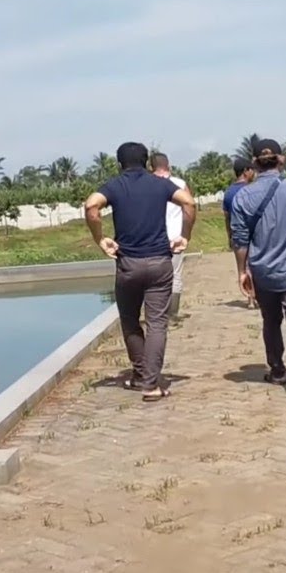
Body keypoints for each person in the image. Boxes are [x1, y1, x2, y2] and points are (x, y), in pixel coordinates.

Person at [84, 142, 197, 402]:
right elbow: (189, 203)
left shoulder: (114, 186)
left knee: (130, 321)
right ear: (146, 161)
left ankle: (139, 374)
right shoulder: (160, 184)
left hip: (128, 265)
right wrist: (184, 236)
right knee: (157, 322)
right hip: (159, 262)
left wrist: (100, 239)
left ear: (119, 163)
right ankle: (150, 383)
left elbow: (91, 206)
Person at [229, 138, 286, 399]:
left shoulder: (243, 196)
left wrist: (242, 271)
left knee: (271, 320)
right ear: (281, 159)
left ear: (254, 164)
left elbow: (240, 239)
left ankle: (278, 370)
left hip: (263, 272)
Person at [149, 152, 193, 320]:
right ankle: (172, 315)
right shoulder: (180, 184)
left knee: (154, 278)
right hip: (175, 235)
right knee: (175, 275)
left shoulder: (147, 185)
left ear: (151, 167)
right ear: (168, 165)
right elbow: (189, 208)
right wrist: (186, 234)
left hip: (154, 237)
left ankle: (157, 313)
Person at [222, 157, 256, 308]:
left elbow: (227, 217)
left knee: (244, 268)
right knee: (255, 265)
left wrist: (229, 235)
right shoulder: (251, 190)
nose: (253, 173)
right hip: (254, 233)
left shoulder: (229, 193)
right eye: (251, 170)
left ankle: (250, 298)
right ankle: (257, 296)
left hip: (237, 235)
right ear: (245, 171)